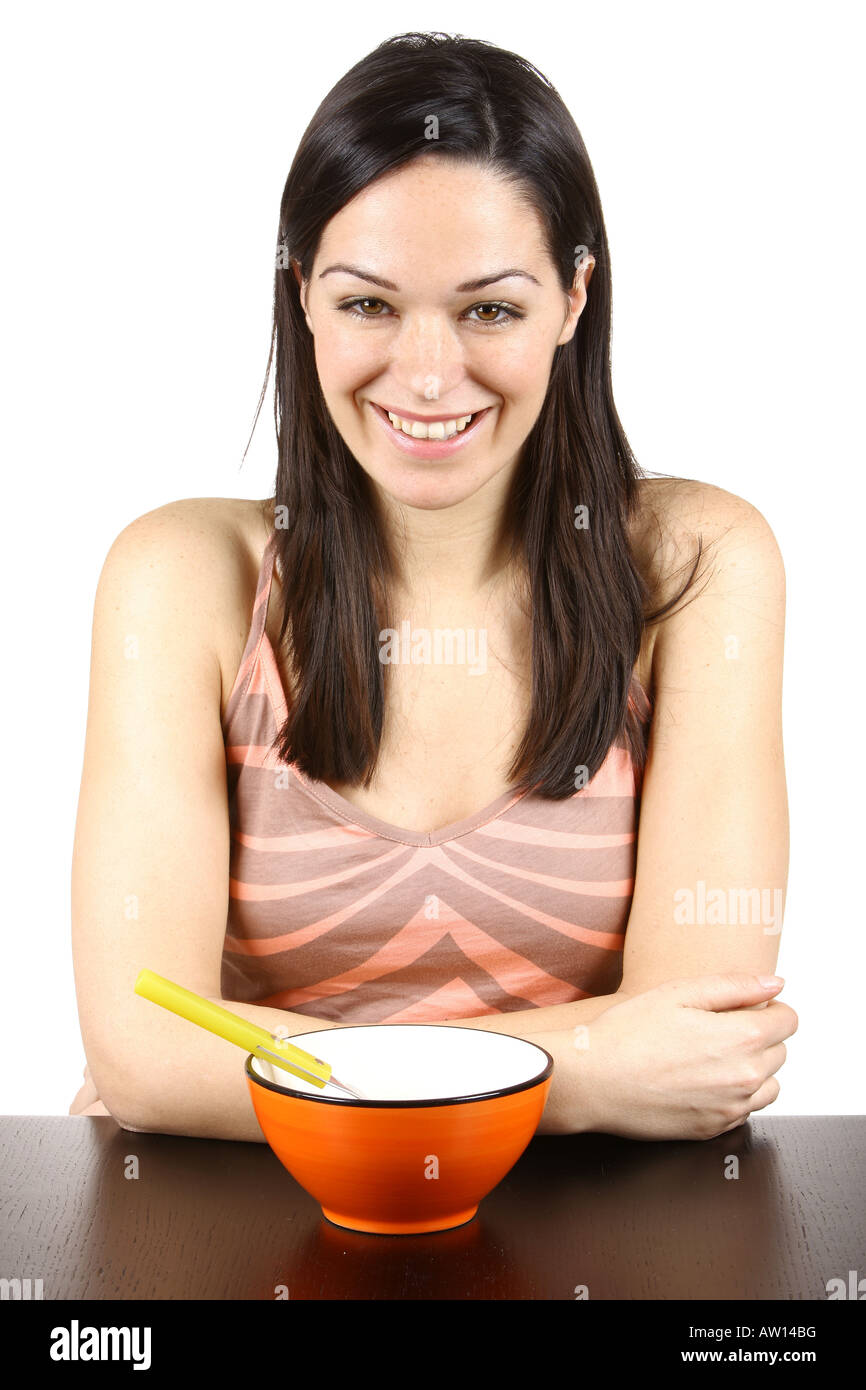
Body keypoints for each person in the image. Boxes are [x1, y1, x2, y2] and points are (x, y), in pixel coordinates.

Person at [69, 32, 797, 1142]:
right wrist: (588, 1071)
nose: (423, 374)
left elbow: (698, 1048)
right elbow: (143, 1057)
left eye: (488, 309)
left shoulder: (694, 565)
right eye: (368, 304)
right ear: (302, 293)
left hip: (593, 1235)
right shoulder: (182, 580)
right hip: (248, 1219)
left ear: (573, 299)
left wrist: (239, 1068)